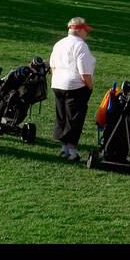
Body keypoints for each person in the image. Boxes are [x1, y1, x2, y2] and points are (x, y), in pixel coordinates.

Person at [49, 16, 95, 161]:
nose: (86, 34)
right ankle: (72, 152)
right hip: (75, 86)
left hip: (57, 83)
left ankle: (64, 149)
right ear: (80, 31)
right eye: (85, 31)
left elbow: (52, 66)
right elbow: (84, 73)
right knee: (74, 119)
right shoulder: (81, 46)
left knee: (62, 117)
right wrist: (90, 86)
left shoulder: (59, 44)